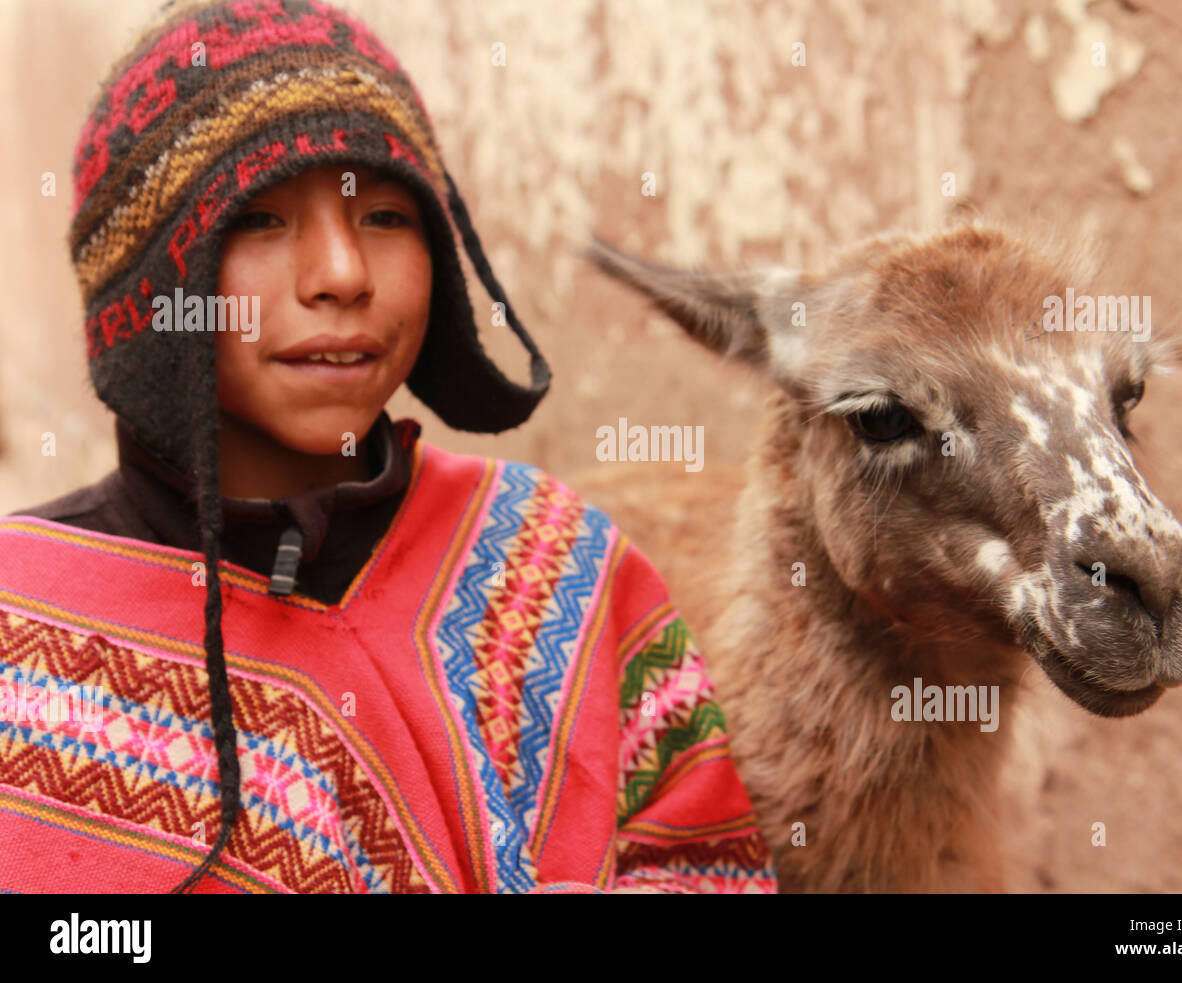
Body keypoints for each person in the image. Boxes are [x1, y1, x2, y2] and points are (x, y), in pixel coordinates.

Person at [0, 0, 776, 894]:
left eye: (385, 216)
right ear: (149, 287)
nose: (342, 274)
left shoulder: (558, 563)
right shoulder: (25, 625)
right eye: (258, 219)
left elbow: (710, 865)